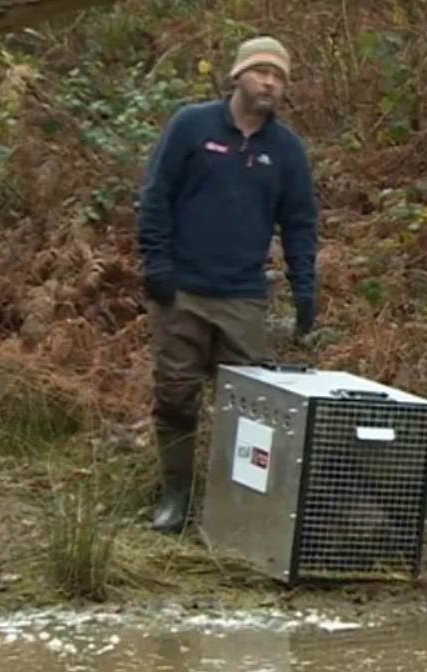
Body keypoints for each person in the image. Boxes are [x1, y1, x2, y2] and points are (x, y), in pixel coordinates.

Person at [136, 36, 319, 534]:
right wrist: (156, 263)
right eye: (261, 72)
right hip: (182, 290)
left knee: (250, 408)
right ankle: (175, 496)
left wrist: (304, 289)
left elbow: (300, 224)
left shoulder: (286, 150)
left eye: (278, 77)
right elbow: (156, 196)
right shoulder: (192, 126)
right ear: (238, 75)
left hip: (243, 296)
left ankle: (238, 505)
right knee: (176, 396)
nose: (269, 83)